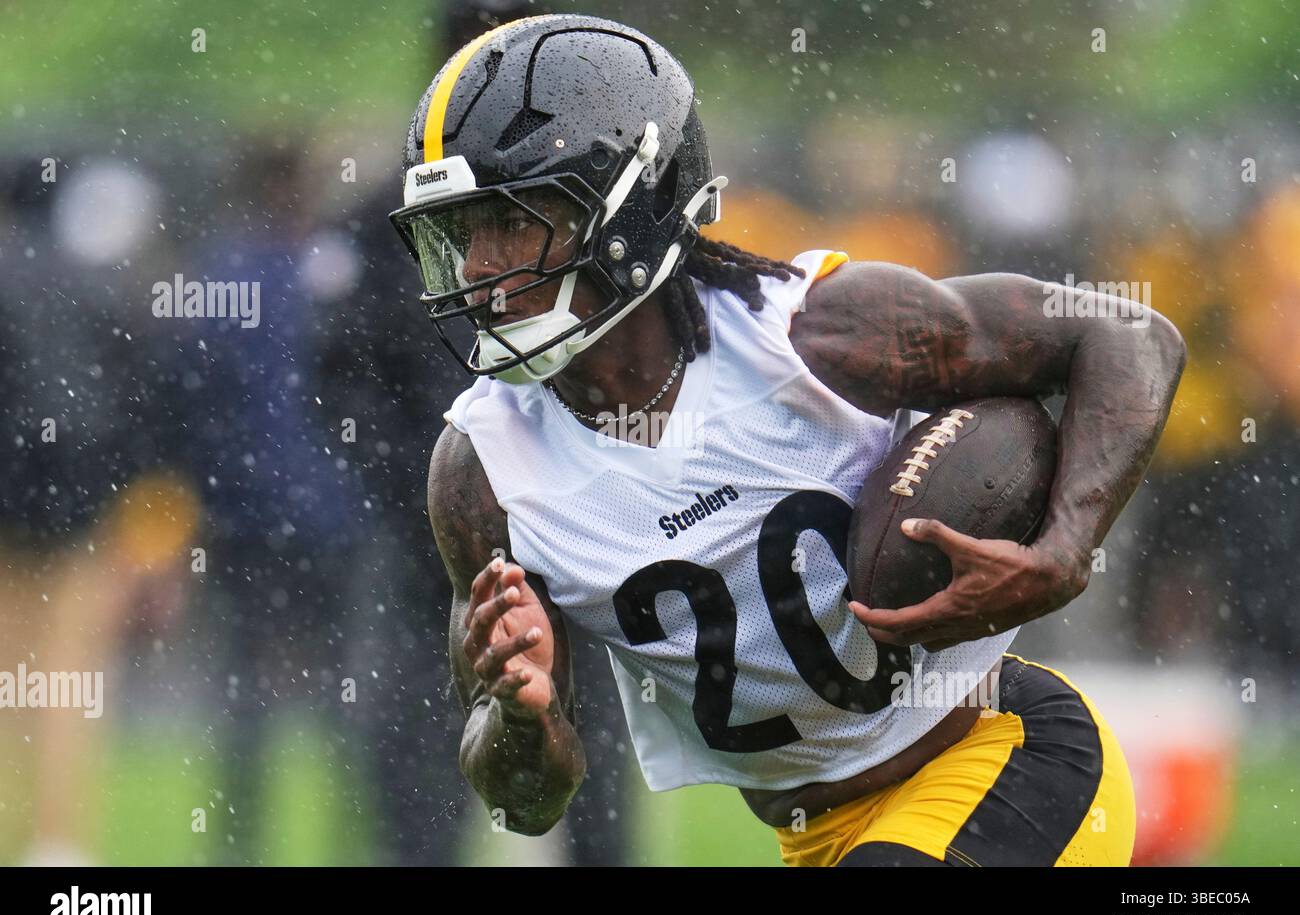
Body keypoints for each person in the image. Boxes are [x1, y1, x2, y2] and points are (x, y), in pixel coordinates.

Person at [388, 14, 1186, 866]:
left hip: (1005, 759)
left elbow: (1126, 336)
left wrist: (1068, 548)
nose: (477, 266)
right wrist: (522, 712)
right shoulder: (481, 471)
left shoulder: (818, 333)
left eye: (515, 220)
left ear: (631, 202)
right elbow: (530, 800)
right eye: (461, 232)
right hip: (819, 841)